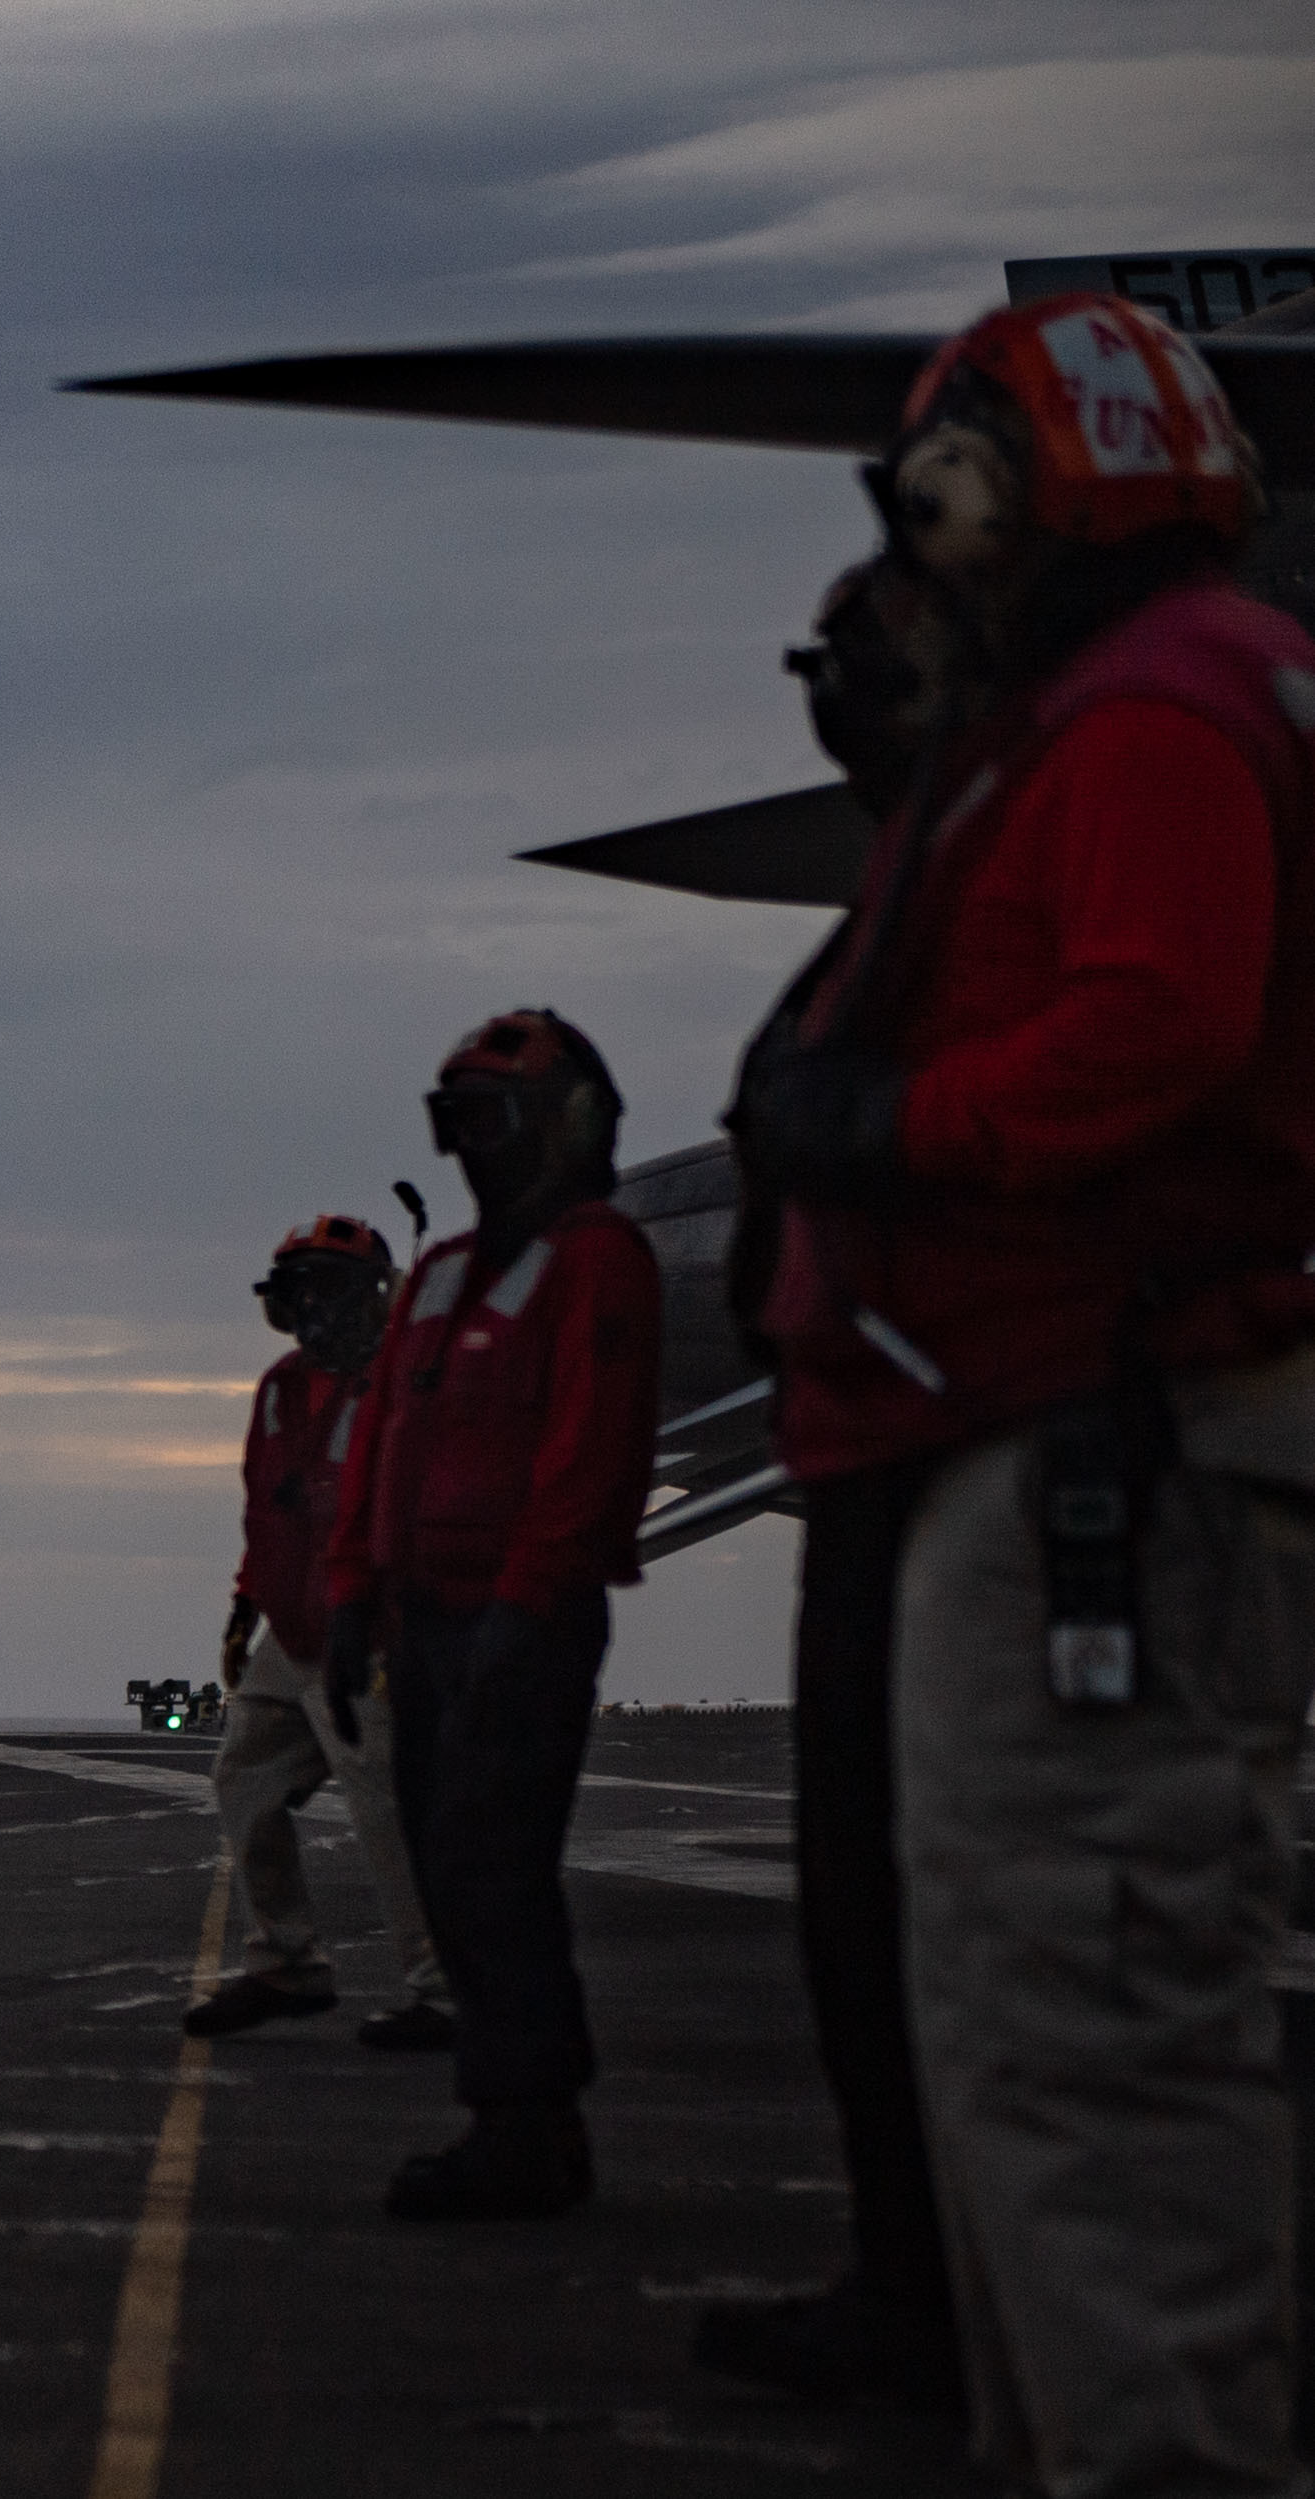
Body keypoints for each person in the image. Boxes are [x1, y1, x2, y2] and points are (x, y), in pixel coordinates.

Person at [719, 294, 1315, 2493]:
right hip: (1056, 1436)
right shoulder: (1150, 702)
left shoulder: (1154, 715)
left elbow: (1147, 1029)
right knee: (1022, 2036)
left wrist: (898, 1127)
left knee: (1087, 2051)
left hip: (1100, 1449)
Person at [316, 1009, 662, 2220]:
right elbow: (383, 1450)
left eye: (489, 1119)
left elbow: (589, 1443)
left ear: (564, 1125)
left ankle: (526, 2121)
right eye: (452, 1122)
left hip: (522, 1624)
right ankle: (511, 2113)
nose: (469, 1145)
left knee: (492, 1870)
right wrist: (351, 1591)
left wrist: (527, 1601)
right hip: (425, 1626)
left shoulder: (595, 1262)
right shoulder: (442, 1275)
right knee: (449, 1865)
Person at [181, 1215, 457, 2051]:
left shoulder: (403, 1388)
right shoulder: (278, 1390)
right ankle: (286, 1964)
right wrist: (244, 1605)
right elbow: (268, 1511)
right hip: (292, 1628)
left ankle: (446, 1993)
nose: (312, 1311)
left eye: (327, 1293)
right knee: (243, 1778)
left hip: (371, 1630)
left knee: (389, 1815)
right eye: (299, 1294)